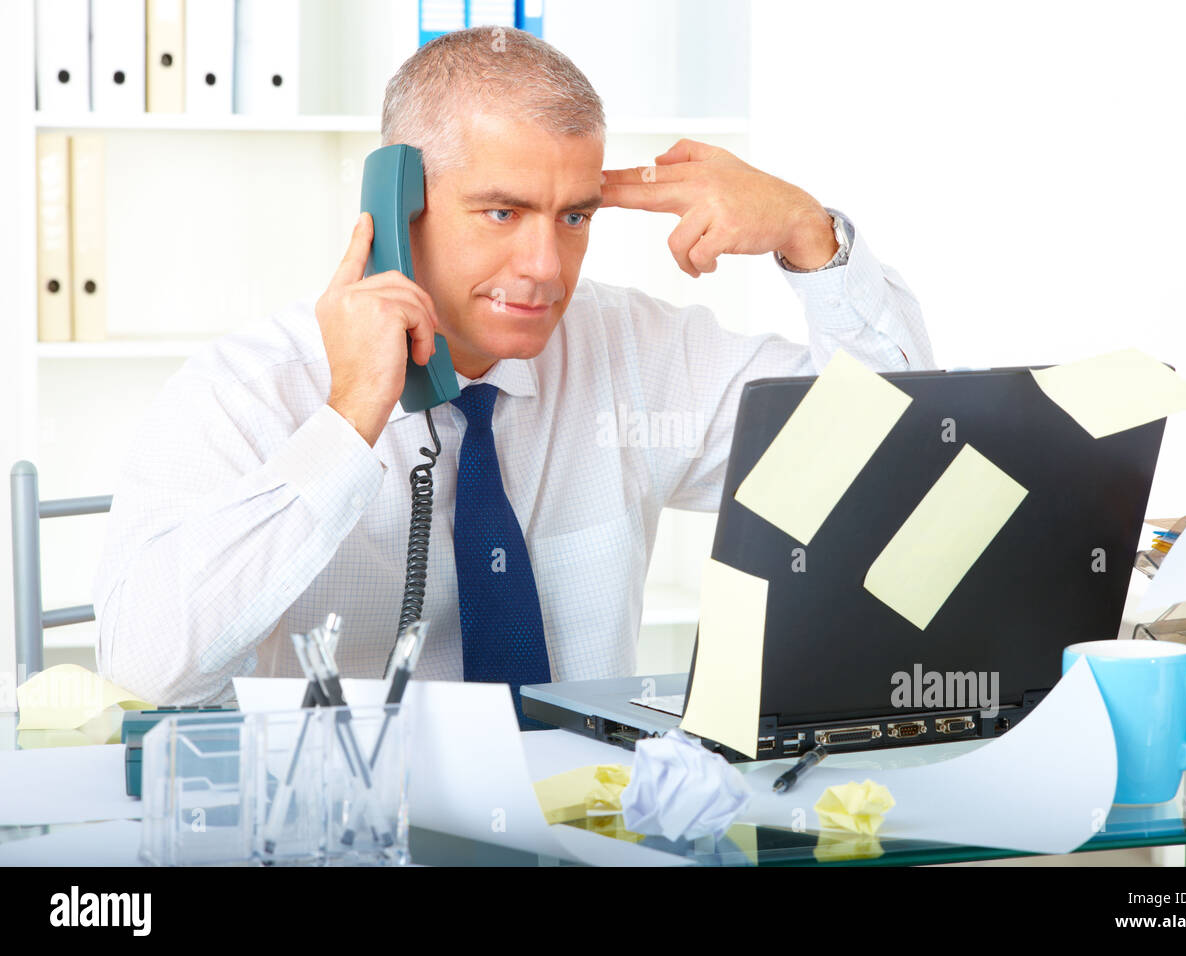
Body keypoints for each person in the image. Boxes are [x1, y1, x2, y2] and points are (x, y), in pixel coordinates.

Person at [93, 26, 934, 717]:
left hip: (585, 827)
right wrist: (348, 421)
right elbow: (147, 665)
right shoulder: (248, 392)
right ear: (397, 201)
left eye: (574, 216)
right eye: (503, 211)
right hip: (349, 832)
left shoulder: (632, 350)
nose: (544, 267)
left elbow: (889, 467)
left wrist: (810, 238)